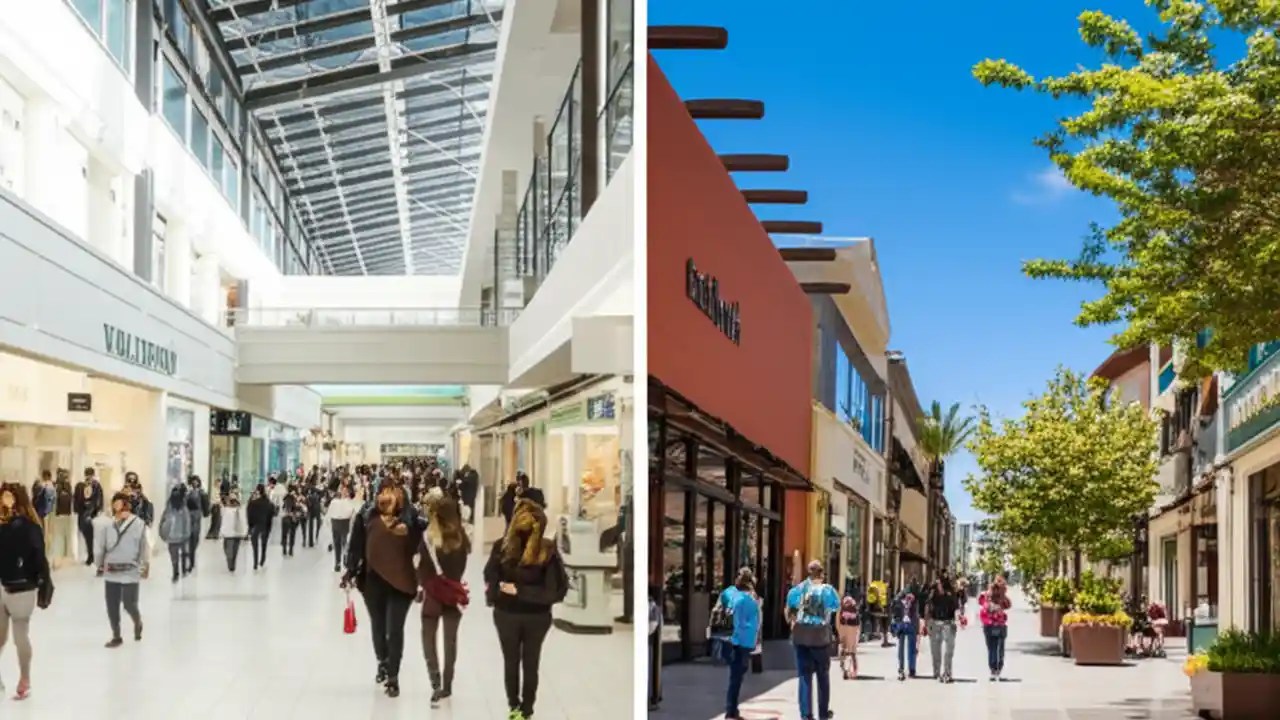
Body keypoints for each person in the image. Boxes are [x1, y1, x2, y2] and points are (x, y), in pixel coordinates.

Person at [484, 498, 568, 720]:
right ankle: (527, 710)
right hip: (537, 617)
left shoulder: (502, 547)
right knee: (531, 663)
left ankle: (514, 706)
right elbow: (555, 591)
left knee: (511, 662)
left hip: (507, 614)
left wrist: (505, 591)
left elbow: (490, 575)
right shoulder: (547, 551)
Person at [342, 482, 425, 698]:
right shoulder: (367, 516)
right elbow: (356, 545)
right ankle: (383, 662)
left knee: (394, 629)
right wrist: (350, 571)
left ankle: (393, 676)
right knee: (379, 627)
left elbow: (422, 548)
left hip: (402, 583)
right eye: (383, 497)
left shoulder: (411, 520)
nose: (386, 501)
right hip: (373, 581)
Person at [0, 483, 54, 701]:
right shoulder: (30, 526)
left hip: (21, 587)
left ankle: (25, 678)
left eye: (8, 497)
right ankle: (25, 678)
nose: (6, 501)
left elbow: (39, 559)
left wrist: (42, 583)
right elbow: (40, 558)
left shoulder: (25, 527)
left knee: (19, 634)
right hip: (9, 585)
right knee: (5, 635)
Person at [417, 491, 470, 706]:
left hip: (432, 596)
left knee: (428, 638)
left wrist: (424, 584)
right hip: (453, 595)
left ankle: (435, 681)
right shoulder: (462, 539)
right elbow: (461, 569)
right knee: (451, 640)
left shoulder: (429, 539)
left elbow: (421, 569)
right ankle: (448, 685)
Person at [785, 561, 839, 720]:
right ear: (821, 574)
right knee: (823, 675)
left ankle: (806, 714)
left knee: (804, 675)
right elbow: (835, 607)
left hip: (800, 635)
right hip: (820, 637)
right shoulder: (828, 591)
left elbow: (789, 613)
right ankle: (823, 713)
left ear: (807, 573)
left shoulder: (797, 590)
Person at [95, 491, 149, 648]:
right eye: (116, 502)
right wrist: (99, 564)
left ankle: (137, 621)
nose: (118, 506)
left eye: (121, 502)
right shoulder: (108, 525)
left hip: (130, 569)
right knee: (112, 604)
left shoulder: (138, 524)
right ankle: (116, 635)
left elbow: (144, 546)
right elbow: (101, 546)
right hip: (111, 569)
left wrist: (145, 564)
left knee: (129, 603)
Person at [722, 570, 760, 720]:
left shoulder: (732, 597)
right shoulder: (750, 600)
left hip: (734, 641)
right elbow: (754, 623)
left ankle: (732, 709)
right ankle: (731, 711)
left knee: (735, 677)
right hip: (742, 642)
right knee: (736, 678)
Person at [924, 575, 960, 683]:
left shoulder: (951, 594)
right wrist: (925, 624)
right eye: (937, 583)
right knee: (935, 650)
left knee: (949, 650)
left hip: (948, 624)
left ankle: (947, 672)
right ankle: (936, 672)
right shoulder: (932, 594)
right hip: (935, 624)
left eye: (939, 583)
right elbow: (927, 607)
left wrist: (959, 619)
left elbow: (956, 608)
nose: (937, 585)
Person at [978, 576, 1011, 681]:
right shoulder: (987, 596)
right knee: (996, 647)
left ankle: (995, 669)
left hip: (994, 625)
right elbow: (982, 603)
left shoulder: (1000, 597)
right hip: (994, 625)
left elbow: (1008, 605)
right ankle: (995, 668)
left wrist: (1002, 595)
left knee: (994, 647)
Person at [158, 483, 192, 583]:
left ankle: (178, 571)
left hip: (177, 537)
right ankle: (178, 572)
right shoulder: (174, 509)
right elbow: (163, 522)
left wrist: (162, 533)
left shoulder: (177, 509)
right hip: (176, 537)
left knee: (177, 556)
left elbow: (162, 522)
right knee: (179, 556)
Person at [892, 576, 922, 681]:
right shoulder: (917, 596)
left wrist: (896, 619)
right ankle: (912, 669)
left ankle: (901, 668)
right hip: (912, 623)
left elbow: (894, 603)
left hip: (901, 623)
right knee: (911, 648)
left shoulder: (901, 594)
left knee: (901, 647)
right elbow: (919, 611)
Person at [73, 468, 103, 566]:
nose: (89, 477)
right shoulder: (82, 486)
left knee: (90, 536)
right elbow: (76, 499)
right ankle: (90, 555)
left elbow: (98, 500)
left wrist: (94, 512)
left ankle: (91, 556)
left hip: (89, 515)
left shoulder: (95, 486)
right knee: (87, 536)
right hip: (85, 514)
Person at [327, 485, 359, 573]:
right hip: (335, 522)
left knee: (345, 542)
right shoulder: (334, 501)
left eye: (346, 491)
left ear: (348, 493)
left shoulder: (350, 503)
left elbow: (353, 513)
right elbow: (329, 512)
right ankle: (337, 563)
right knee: (337, 543)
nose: (344, 492)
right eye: (342, 490)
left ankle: (345, 558)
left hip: (345, 523)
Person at [49, 470, 74, 568]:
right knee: (65, 536)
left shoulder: (56, 487)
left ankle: (58, 559)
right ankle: (64, 558)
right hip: (66, 515)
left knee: (58, 537)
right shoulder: (67, 487)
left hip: (58, 515)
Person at [246, 484, 275, 571]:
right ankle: (262, 559)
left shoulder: (253, 503)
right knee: (264, 544)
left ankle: (255, 562)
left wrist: (250, 526)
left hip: (255, 526)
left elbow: (249, 514)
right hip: (266, 525)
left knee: (255, 544)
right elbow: (272, 513)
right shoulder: (269, 503)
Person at [219, 491, 248, 572]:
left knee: (229, 550)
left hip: (230, 534)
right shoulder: (238, 509)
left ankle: (231, 564)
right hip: (234, 534)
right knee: (232, 550)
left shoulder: (227, 509)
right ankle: (232, 564)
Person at [184, 476, 207, 574]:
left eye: (196, 482)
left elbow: (205, 504)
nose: (195, 483)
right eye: (193, 482)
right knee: (189, 538)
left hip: (197, 517)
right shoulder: (187, 492)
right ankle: (191, 560)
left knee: (195, 538)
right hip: (188, 516)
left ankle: (191, 554)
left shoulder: (201, 492)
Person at [836, 594, 860, 680]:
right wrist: (857, 633)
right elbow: (858, 622)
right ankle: (854, 671)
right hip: (853, 629)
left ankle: (844, 670)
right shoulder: (854, 607)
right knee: (852, 652)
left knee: (843, 649)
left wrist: (839, 630)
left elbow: (837, 621)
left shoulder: (841, 607)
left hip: (843, 627)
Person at [281, 485, 304, 557]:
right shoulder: (293, 498)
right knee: (292, 534)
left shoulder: (287, 497)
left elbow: (284, 508)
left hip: (286, 518)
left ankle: (285, 549)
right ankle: (290, 550)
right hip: (293, 518)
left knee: (285, 534)